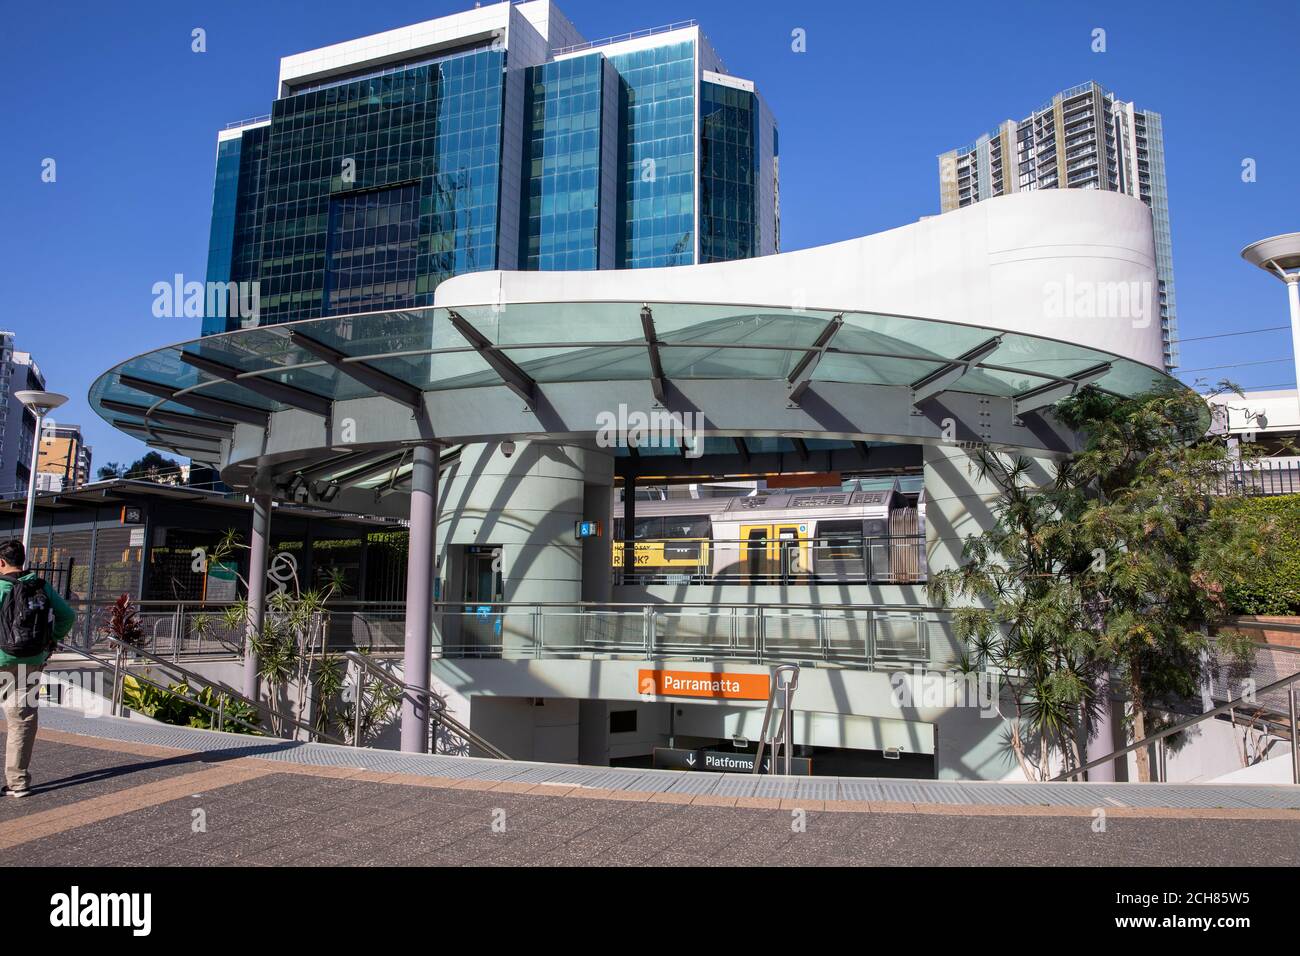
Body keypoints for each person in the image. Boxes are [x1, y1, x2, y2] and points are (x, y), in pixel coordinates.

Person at [0, 539, 75, 797]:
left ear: (1, 562)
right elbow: (67, 615)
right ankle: (18, 782)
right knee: (22, 720)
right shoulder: (40, 586)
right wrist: (52, 640)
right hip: (31, 659)